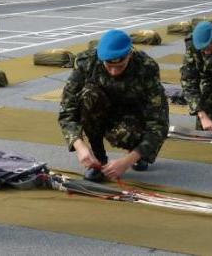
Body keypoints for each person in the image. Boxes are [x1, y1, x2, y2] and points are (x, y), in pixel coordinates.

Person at [59, 29, 169, 183]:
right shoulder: (87, 63)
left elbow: (159, 123)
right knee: (89, 96)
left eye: (120, 66)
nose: (114, 72)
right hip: (100, 113)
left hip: (132, 118)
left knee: (130, 135)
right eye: (108, 66)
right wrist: (79, 146)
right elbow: (67, 111)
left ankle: (137, 152)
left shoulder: (146, 68)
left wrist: (128, 160)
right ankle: (98, 159)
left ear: (130, 54)